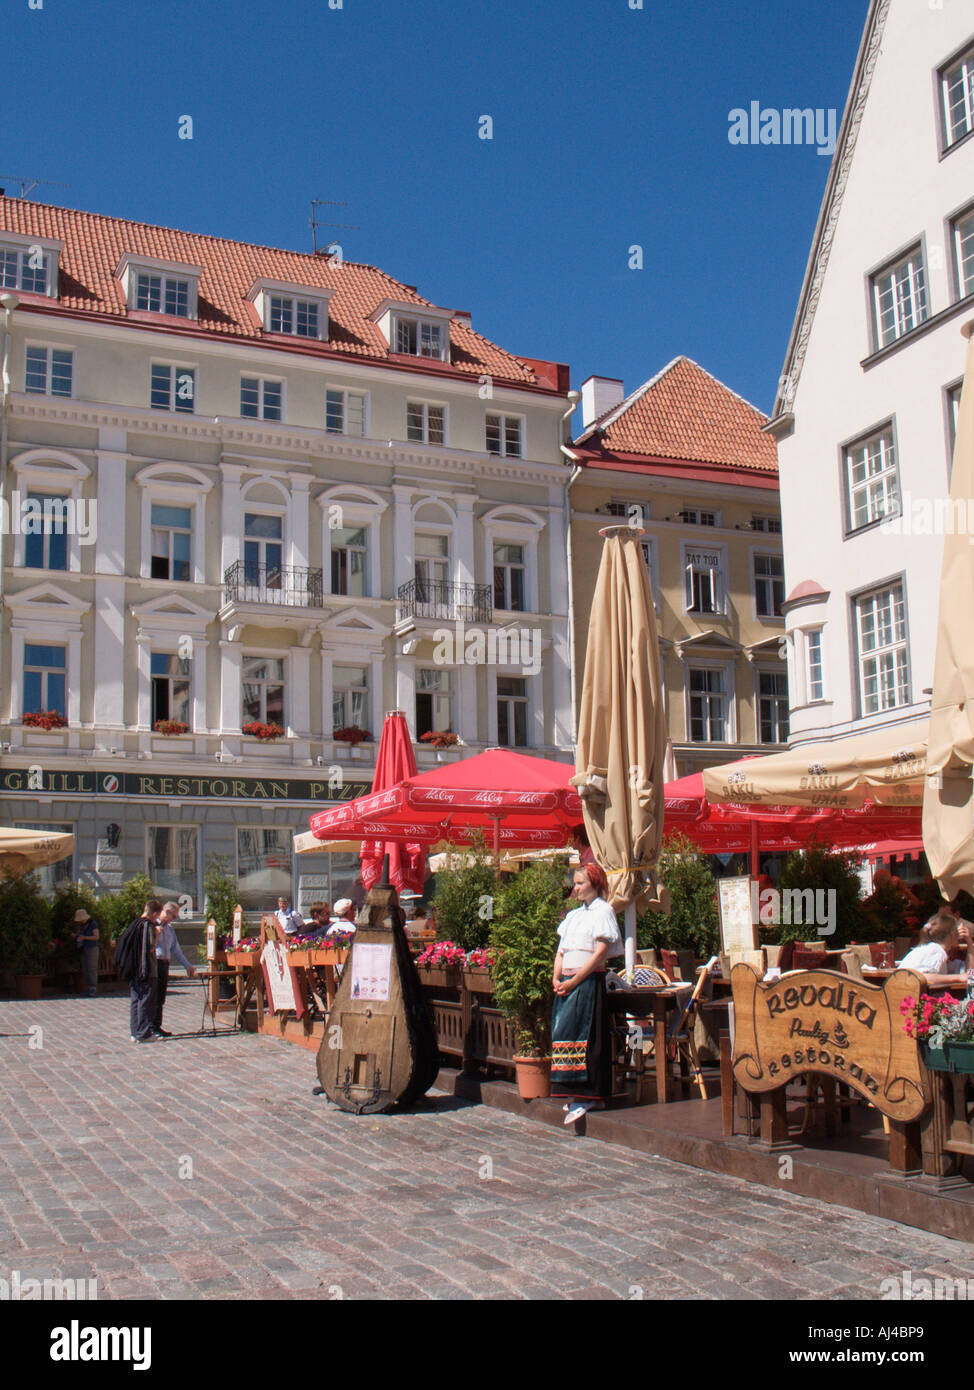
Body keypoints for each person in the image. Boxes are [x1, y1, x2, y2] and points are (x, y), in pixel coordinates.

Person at [550, 863, 623, 1125]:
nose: (576, 888)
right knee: (565, 1034)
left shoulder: (604, 912)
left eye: (581, 883)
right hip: (568, 982)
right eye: (575, 883)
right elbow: (561, 951)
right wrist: (557, 978)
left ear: (594, 883)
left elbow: (600, 953)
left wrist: (576, 981)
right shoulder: (574, 916)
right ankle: (572, 1091)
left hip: (588, 982)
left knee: (588, 1038)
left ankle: (589, 1094)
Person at [152, 901, 197, 1036]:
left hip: (164, 963)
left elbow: (176, 950)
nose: (174, 919)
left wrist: (187, 965)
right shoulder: (153, 925)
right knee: (152, 996)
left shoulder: (170, 930)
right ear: (167, 912)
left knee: (160, 997)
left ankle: (156, 1025)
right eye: (174, 916)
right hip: (154, 963)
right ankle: (148, 1026)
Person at [900, 909, 974, 989]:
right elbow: (923, 977)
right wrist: (958, 978)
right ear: (952, 934)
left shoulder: (931, 949)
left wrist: (969, 943)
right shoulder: (936, 951)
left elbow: (968, 974)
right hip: (905, 996)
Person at [128, 900, 163, 1043]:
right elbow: (149, 948)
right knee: (146, 1000)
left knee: (136, 1000)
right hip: (146, 968)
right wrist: (157, 935)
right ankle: (143, 1033)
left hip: (134, 968)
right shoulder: (147, 925)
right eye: (157, 915)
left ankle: (135, 1032)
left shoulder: (135, 924)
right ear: (154, 913)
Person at [74, 908, 100, 997]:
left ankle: (93, 988)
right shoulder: (82, 926)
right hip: (84, 948)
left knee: (91, 968)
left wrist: (85, 937)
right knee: (85, 969)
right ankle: (88, 987)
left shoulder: (93, 924)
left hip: (92, 948)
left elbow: (96, 937)